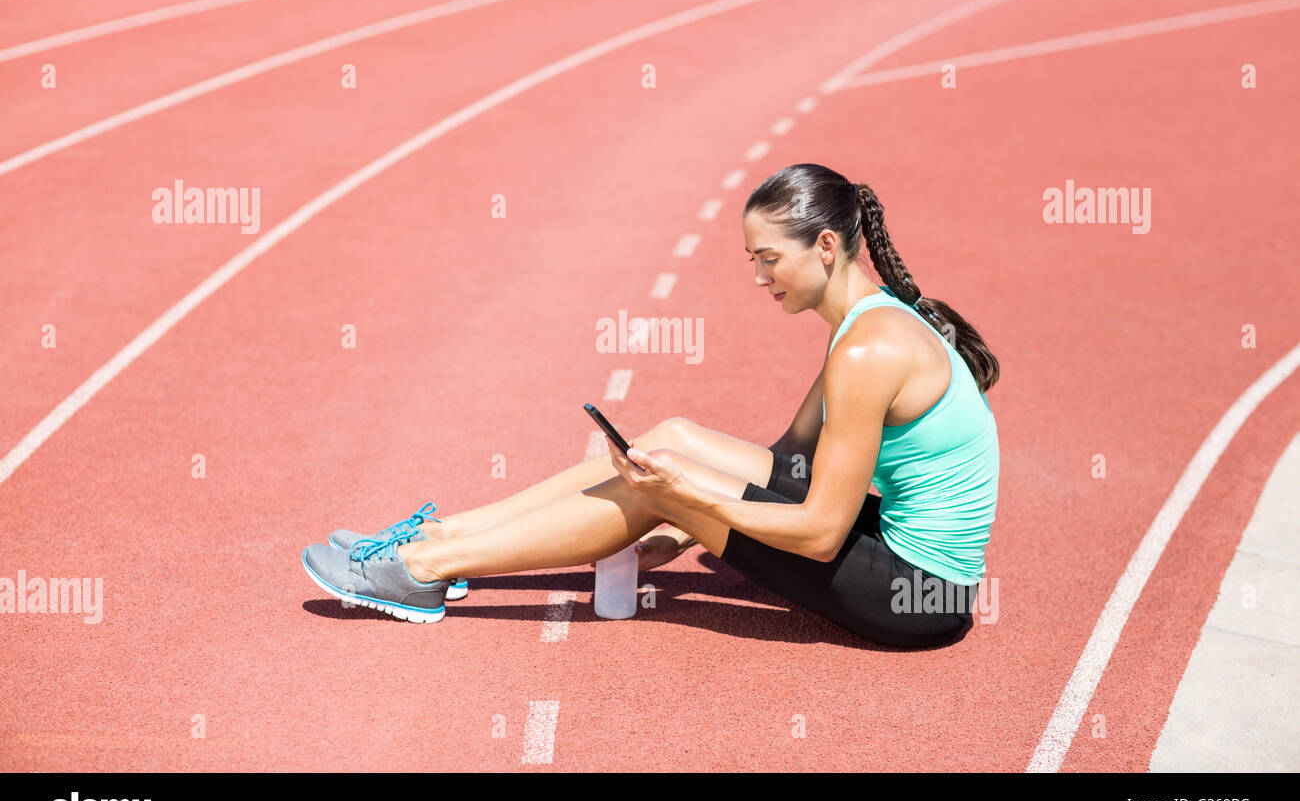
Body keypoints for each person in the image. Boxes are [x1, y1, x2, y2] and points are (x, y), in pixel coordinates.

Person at [301, 163, 1000, 648]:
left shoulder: (867, 351)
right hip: (902, 558)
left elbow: (818, 530)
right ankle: (439, 539)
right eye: (750, 260)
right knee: (667, 441)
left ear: (824, 247)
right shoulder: (867, 322)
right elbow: (790, 462)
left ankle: (419, 577)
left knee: (660, 486)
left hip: (919, 598)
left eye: (768, 259)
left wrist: (685, 501)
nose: (758, 277)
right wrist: (687, 512)